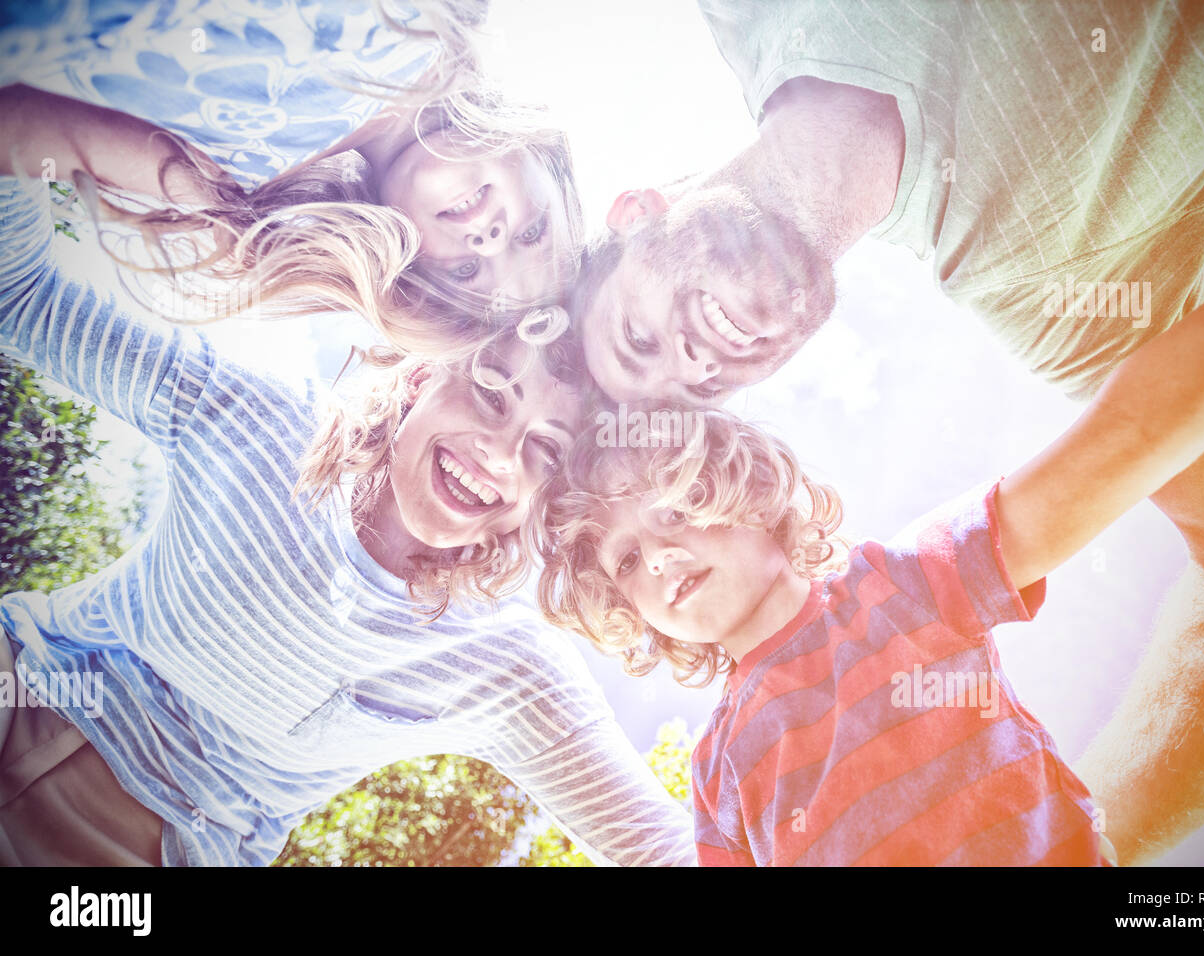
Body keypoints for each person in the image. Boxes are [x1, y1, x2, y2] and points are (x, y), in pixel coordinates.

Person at [567, 0, 1204, 864]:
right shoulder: (1071, 302)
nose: (693, 358)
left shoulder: (757, 16)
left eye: (638, 338)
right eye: (699, 390)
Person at [0, 171, 694, 866]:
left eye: (544, 451)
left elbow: (660, 850)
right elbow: (21, 297)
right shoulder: (252, 421)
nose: (498, 455)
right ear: (424, 376)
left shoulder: (508, 671)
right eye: (489, 397)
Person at [0, 0, 582, 359]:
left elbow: (21, 128)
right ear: (544, 157)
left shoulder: (230, 179)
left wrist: (213, 206)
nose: (489, 241)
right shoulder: (446, 13)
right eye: (533, 233)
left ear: (407, 268)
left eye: (465, 272)